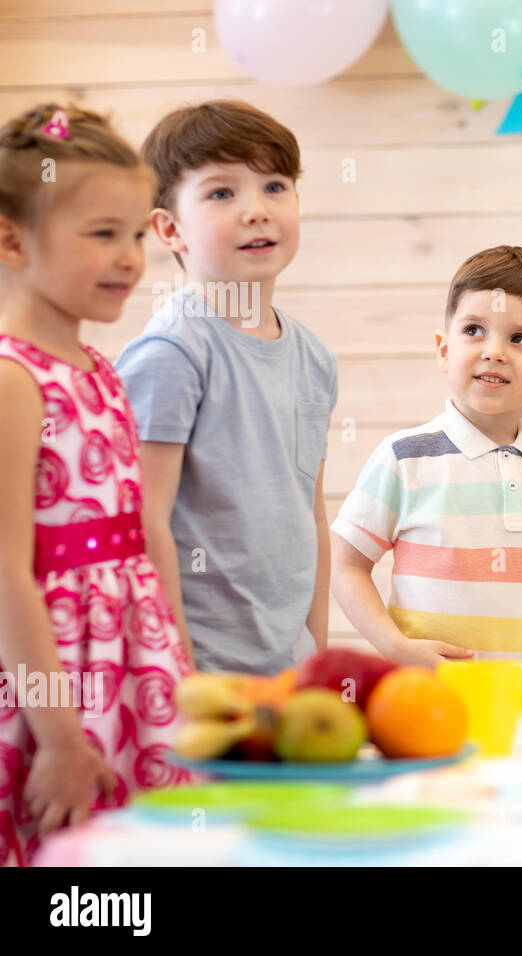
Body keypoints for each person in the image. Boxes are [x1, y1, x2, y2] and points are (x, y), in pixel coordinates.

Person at [0, 104, 191, 866]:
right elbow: (7, 571)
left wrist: (180, 662)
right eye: (102, 235)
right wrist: (58, 735)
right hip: (57, 682)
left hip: (133, 667)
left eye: (137, 235)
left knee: (142, 857)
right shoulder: (14, 381)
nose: (129, 259)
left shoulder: (104, 370)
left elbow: (147, 535)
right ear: (13, 239)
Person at [115, 101, 338, 675]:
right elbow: (143, 524)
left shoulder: (313, 356)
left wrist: (316, 647)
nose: (256, 211)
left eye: (274, 186)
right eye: (221, 193)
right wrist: (176, 670)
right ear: (169, 228)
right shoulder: (172, 353)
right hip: (203, 670)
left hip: (290, 667)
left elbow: (310, 515)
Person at [331, 246, 522, 663]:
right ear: (444, 349)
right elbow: (345, 565)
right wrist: (396, 647)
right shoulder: (404, 458)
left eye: (520, 338)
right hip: (429, 696)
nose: (494, 351)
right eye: (473, 330)